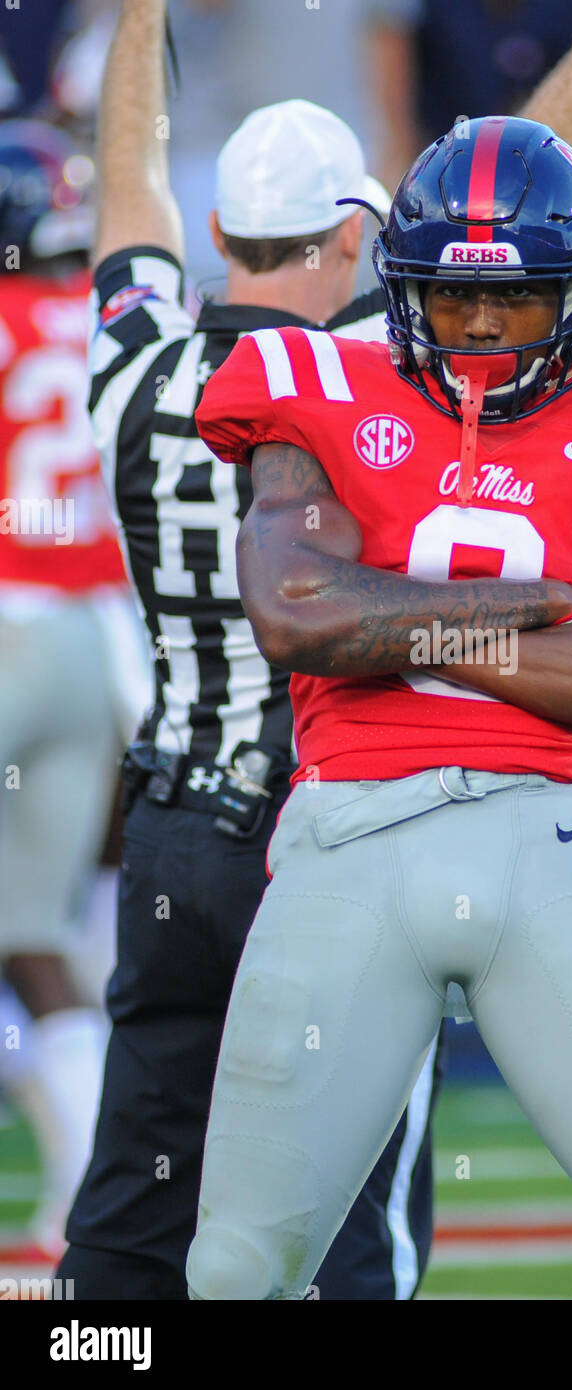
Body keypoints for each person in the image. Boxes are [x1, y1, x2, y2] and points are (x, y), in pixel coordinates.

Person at [58, 0, 572, 1300]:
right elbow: (534, 155)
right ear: (356, 236)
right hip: (325, 826)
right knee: (354, 1220)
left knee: (131, 1209)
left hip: (168, 826)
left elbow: (125, 177)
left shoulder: (129, 366)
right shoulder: (350, 375)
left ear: (219, 236)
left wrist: (139, 14)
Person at [188, 114, 572, 1301]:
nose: (488, 328)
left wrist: (408, 623)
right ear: (405, 291)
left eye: (520, 300)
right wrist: (527, 610)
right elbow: (297, 615)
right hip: (347, 835)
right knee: (237, 1271)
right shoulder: (312, 384)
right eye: (452, 302)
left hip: (548, 839)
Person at [0, 118, 143, 1258]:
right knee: (33, 933)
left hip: (6, 623)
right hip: (102, 646)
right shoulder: (111, 330)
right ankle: (81, 1193)